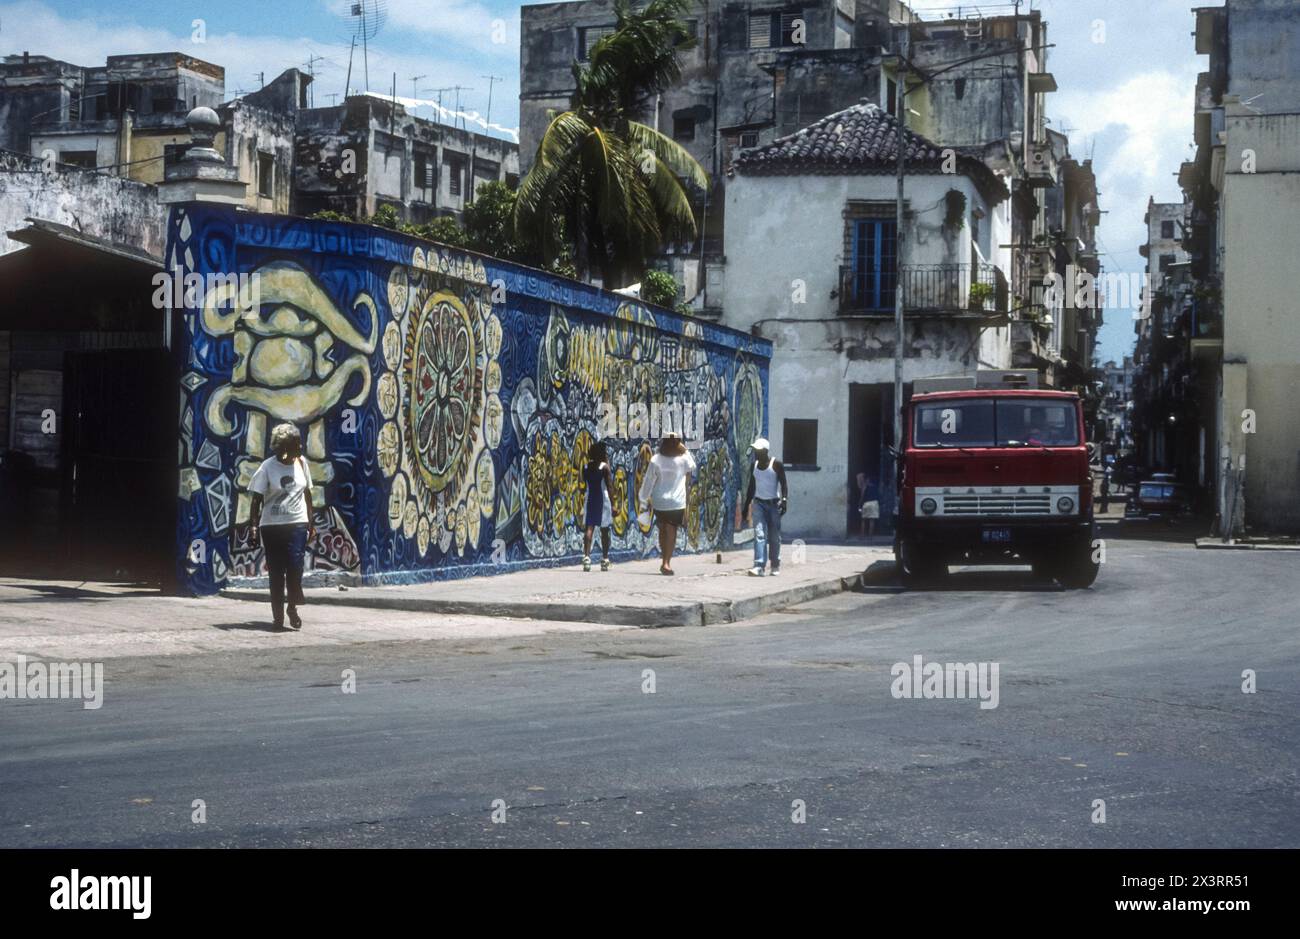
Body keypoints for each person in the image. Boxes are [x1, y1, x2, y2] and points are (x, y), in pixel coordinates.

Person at [249, 423, 315, 630]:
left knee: (295, 564)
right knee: (276, 572)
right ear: (284, 447)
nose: (302, 447)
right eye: (297, 444)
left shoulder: (302, 463)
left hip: (297, 523)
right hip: (272, 526)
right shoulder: (267, 467)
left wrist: (311, 524)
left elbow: (307, 495)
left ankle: (292, 606)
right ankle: (278, 616)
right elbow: (255, 500)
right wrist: (252, 528)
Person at [637, 431, 696, 575]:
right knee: (671, 531)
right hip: (676, 502)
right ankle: (666, 562)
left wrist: (643, 500)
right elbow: (693, 466)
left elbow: (648, 481)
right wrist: (686, 450)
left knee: (663, 529)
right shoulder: (683, 459)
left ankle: (664, 559)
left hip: (659, 501)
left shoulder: (656, 459)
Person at [743, 437, 788, 577]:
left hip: (773, 504)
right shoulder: (754, 465)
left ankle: (775, 564)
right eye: (755, 450)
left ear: (765, 451)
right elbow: (752, 486)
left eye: (759, 450)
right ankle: (759, 566)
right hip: (759, 504)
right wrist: (746, 506)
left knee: (774, 536)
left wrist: (784, 500)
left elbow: (784, 484)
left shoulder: (776, 464)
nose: (756, 453)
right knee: (760, 534)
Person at [582, 440, 615, 571]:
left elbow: (583, 483)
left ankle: (586, 557)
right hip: (603, 500)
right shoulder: (604, 467)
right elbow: (610, 486)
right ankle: (605, 559)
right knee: (604, 530)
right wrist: (614, 504)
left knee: (589, 527)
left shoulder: (585, 467)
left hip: (590, 498)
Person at [859, 473, 880, 538]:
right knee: (872, 520)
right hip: (875, 503)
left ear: (867, 480)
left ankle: (862, 535)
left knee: (863, 520)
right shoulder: (875, 486)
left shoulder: (865, 486)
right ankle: (870, 536)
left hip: (867, 503)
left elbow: (862, 496)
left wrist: (860, 504)